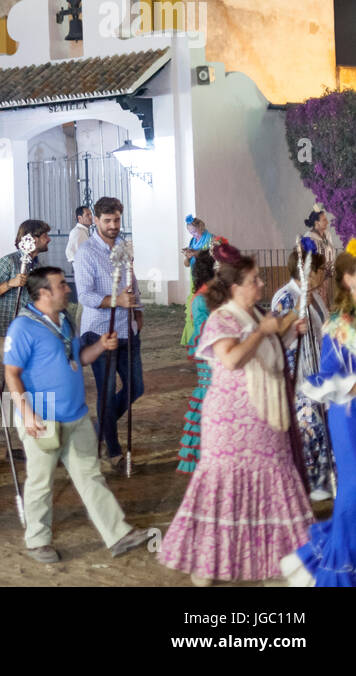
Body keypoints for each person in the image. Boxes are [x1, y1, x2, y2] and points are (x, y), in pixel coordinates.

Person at [158, 243, 314, 585]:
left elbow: (265, 353)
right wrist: (264, 332)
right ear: (235, 288)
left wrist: (287, 334)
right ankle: (206, 564)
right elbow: (232, 359)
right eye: (255, 279)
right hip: (231, 425)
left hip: (266, 420)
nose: (261, 283)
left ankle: (278, 562)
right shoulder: (221, 318)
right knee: (222, 492)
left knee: (273, 485)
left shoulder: (258, 315)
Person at [4, 266, 150, 563]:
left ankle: (118, 534)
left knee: (90, 476)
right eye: (61, 285)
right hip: (42, 419)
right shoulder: (23, 327)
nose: (68, 288)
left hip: (76, 414)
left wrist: (99, 346)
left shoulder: (65, 321)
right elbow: (11, 374)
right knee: (40, 481)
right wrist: (26, 413)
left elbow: (76, 358)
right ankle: (37, 540)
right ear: (44, 292)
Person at [281, 251, 356, 586]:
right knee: (352, 492)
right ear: (346, 279)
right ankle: (336, 568)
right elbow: (327, 374)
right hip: (348, 415)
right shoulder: (339, 322)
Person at [73, 197, 143, 468]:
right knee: (106, 390)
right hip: (100, 332)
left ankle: (102, 422)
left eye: (117, 220)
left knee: (136, 387)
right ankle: (113, 450)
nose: (113, 225)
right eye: (107, 221)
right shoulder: (86, 252)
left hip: (129, 329)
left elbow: (132, 283)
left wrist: (139, 312)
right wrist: (116, 301)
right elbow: (86, 296)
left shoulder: (124, 248)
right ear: (97, 221)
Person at [270, 241, 335, 500]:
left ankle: (322, 482)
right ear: (309, 272)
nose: (323, 274)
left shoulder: (316, 296)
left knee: (324, 424)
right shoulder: (285, 297)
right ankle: (307, 483)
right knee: (311, 426)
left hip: (319, 370)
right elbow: (279, 335)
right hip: (298, 375)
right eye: (320, 269)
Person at [0, 219, 51, 349]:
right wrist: (10, 283)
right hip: (7, 332)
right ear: (32, 239)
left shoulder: (39, 266)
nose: (49, 239)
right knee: (15, 369)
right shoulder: (9, 261)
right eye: (45, 236)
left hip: (30, 332)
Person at [177, 250, 216, 474]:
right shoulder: (203, 298)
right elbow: (205, 327)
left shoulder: (203, 296)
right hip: (208, 350)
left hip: (209, 350)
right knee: (207, 395)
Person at [306, 205, 340, 309]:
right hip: (315, 277)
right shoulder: (308, 237)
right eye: (324, 220)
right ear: (316, 223)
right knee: (317, 302)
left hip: (327, 275)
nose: (327, 222)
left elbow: (332, 252)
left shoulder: (327, 235)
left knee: (325, 300)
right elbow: (308, 259)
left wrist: (331, 268)